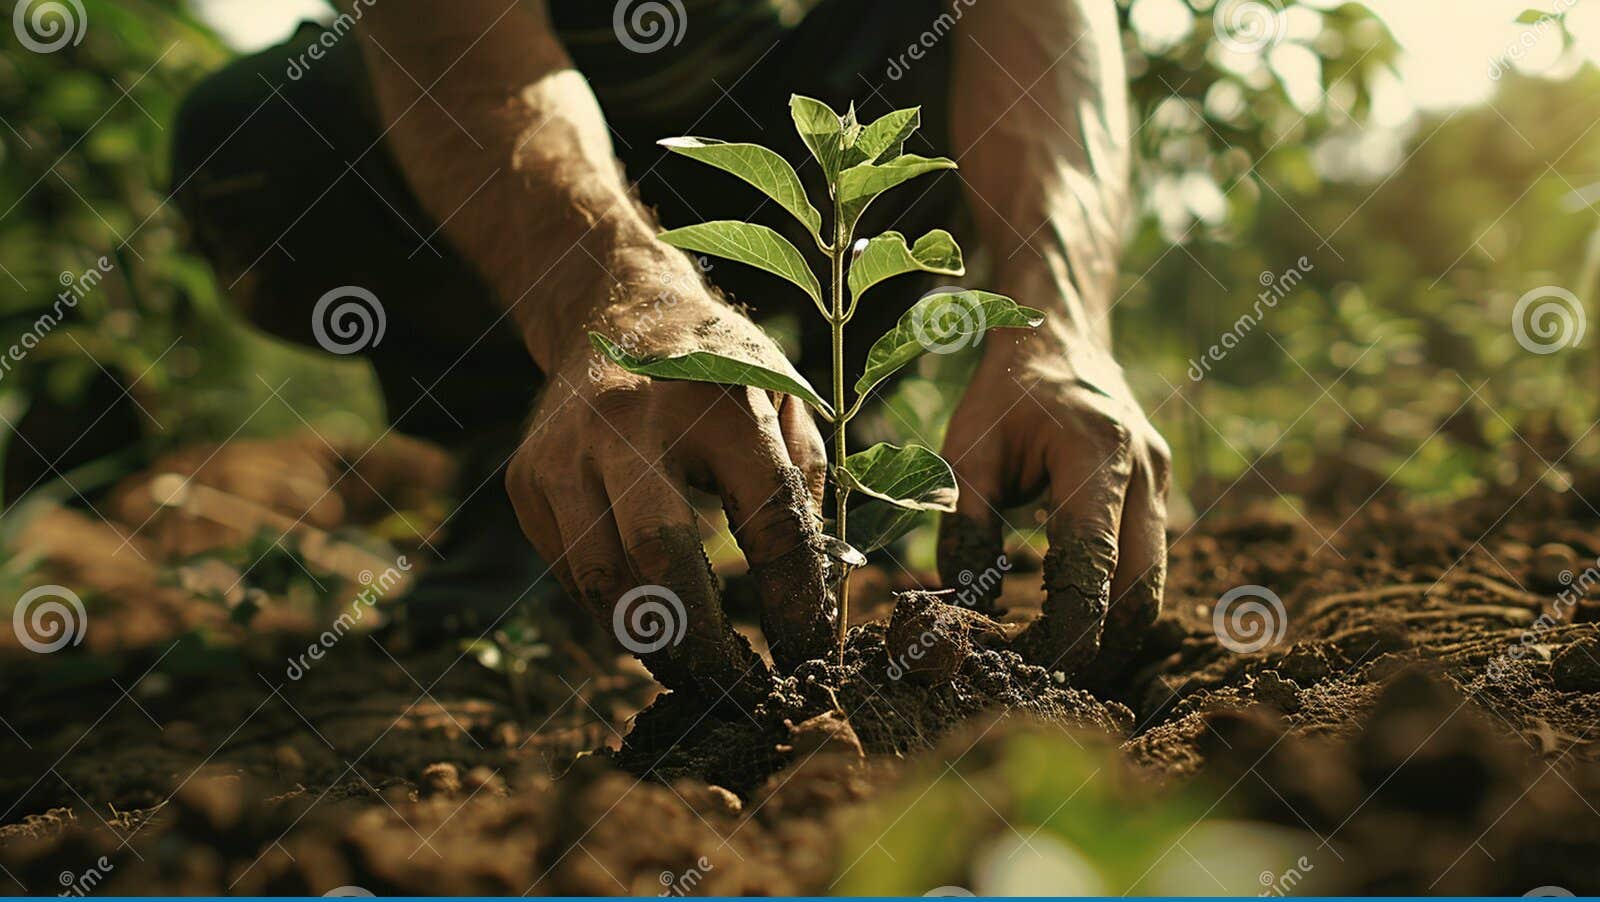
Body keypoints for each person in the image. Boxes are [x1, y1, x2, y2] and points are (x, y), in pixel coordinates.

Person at [171, 0, 1171, 704]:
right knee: (254, 137)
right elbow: (443, 25)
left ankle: (830, 442)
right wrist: (611, 298)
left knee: (935, 39)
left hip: (740, 102)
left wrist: (1056, 323)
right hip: (494, 143)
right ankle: (525, 458)